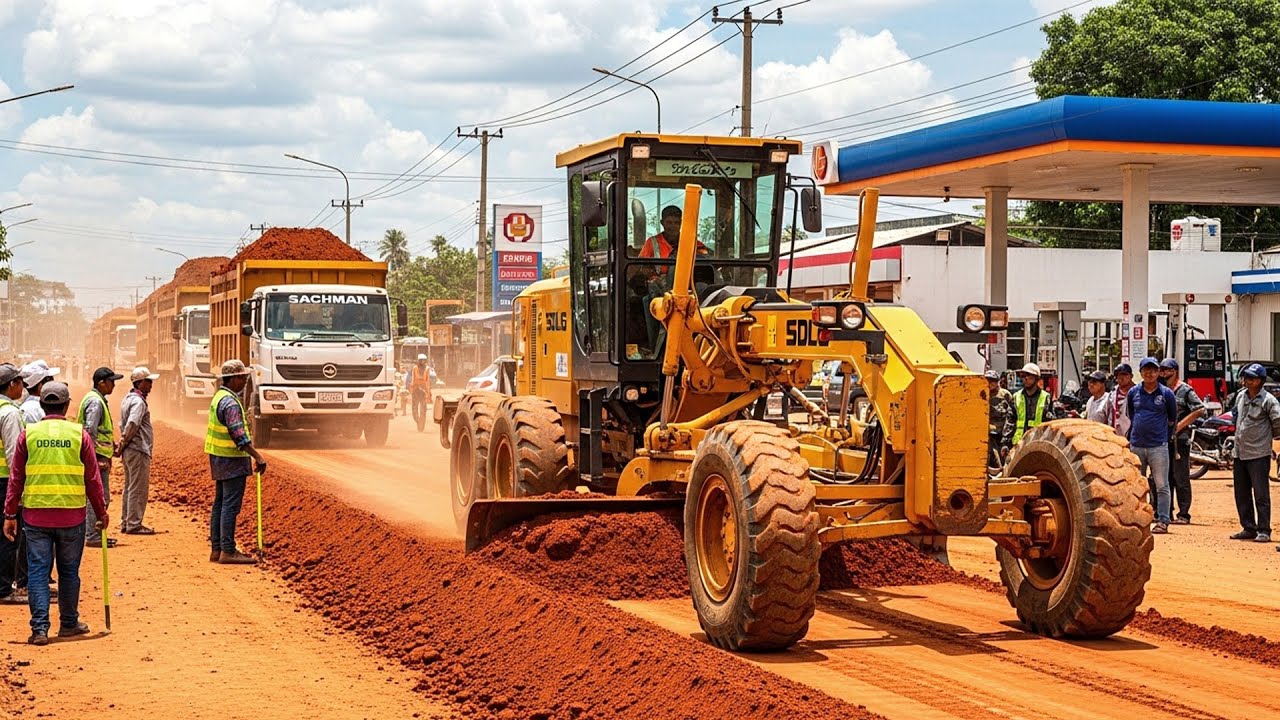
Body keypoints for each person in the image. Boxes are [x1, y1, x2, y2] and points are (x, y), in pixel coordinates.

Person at [2, 382, 107, 646]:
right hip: (72, 516)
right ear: (67, 404)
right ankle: (69, 624)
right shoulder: (78, 434)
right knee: (69, 571)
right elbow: (93, 479)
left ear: (42, 405)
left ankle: (39, 629)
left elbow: (16, 478)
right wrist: (101, 512)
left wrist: (10, 514)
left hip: (36, 516)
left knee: (38, 572)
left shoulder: (29, 434)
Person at [206, 360, 268, 564]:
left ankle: (217, 549)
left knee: (220, 503)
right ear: (231, 379)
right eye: (241, 377)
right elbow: (238, 434)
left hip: (219, 458)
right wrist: (257, 456)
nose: (244, 381)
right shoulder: (231, 403)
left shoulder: (219, 397)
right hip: (232, 460)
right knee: (230, 506)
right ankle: (228, 551)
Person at [1229, 363, 1280, 544]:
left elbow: (1277, 423)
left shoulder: (1269, 401)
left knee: (1261, 494)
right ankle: (1248, 527)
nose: (1248, 381)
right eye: (1246, 378)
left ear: (1260, 381)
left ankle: (1264, 530)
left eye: (1252, 378)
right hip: (1240, 453)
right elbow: (1236, 416)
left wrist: (1270, 440)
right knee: (1241, 493)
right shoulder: (1241, 396)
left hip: (1258, 453)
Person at [1126, 357, 1177, 534]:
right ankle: (1138, 519)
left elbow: (1172, 419)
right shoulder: (1133, 392)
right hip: (1137, 445)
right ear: (1140, 373)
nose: (1149, 373)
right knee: (1136, 485)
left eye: (1153, 370)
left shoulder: (1166, 394)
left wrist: (1165, 438)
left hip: (1158, 447)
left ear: (1158, 373)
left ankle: (1163, 520)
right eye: (1146, 370)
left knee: (1162, 485)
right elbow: (1131, 415)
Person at [78, 367, 123, 548]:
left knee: (99, 496)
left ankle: (96, 534)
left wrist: (111, 447)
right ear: (101, 383)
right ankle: (93, 535)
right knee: (98, 496)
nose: (114, 384)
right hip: (97, 458)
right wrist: (96, 458)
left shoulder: (96, 400)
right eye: (111, 381)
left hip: (100, 455)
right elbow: (90, 431)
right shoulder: (96, 402)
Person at [1160, 358, 1205, 525]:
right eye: (1162, 369)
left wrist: (1180, 426)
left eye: (1166, 369)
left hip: (1180, 439)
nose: (1163, 372)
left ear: (1174, 371)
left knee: (1181, 477)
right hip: (1163, 439)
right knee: (1165, 477)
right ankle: (1167, 512)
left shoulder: (1185, 390)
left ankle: (1184, 514)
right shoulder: (1162, 390)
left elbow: (1200, 409)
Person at [118, 367, 157, 535]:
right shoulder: (138, 402)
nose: (151, 385)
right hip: (138, 449)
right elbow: (133, 423)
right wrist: (123, 441)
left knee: (129, 486)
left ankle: (127, 521)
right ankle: (134, 523)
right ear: (140, 383)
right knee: (138, 488)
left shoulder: (128, 399)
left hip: (130, 449)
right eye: (148, 382)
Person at [0, 364, 25, 602]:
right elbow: (13, 456)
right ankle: (5, 590)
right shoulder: (10, 413)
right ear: (11, 385)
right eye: (20, 382)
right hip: (4, 481)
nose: (22, 387)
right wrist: (18, 490)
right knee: (9, 535)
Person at [1011, 363, 1058, 446]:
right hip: (1018, 444)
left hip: (1038, 444)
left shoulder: (1045, 398)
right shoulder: (1016, 397)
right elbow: (1010, 421)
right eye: (1022, 376)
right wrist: (1005, 443)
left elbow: (1051, 424)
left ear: (1036, 378)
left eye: (1028, 375)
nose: (1024, 378)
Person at [985, 370, 1014, 468]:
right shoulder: (982, 394)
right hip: (988, 432)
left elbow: (1012, 414)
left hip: (1002, 434)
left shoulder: (1005, 394)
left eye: (992, 381)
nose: (990, 383)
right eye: (987, 380)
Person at [19, 360, 59, 424]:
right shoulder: (37, 410)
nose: (53, 383)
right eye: (50, 380)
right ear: (40, 386)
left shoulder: (27, 407)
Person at [408, 354, 433, 431]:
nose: (422, 362)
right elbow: (412, 379)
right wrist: (411, 389)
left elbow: (428, 381)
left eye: (424, 360)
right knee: (414, 410)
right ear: (418, 361)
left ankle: (421, 427)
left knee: (423, 410)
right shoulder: (415, 368)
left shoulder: (427, 369)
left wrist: (428, 393)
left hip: (424, 391)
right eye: (421, 360)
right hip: (415, 390)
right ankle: (418, 421)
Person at [1111, 363, 1136, 437]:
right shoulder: (1112, 394)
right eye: (1118, 375)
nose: (1121, 378)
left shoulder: (1138, 393)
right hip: (1116, 435)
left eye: (1124, 374)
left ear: (1131, 376)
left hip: (1134, 435)